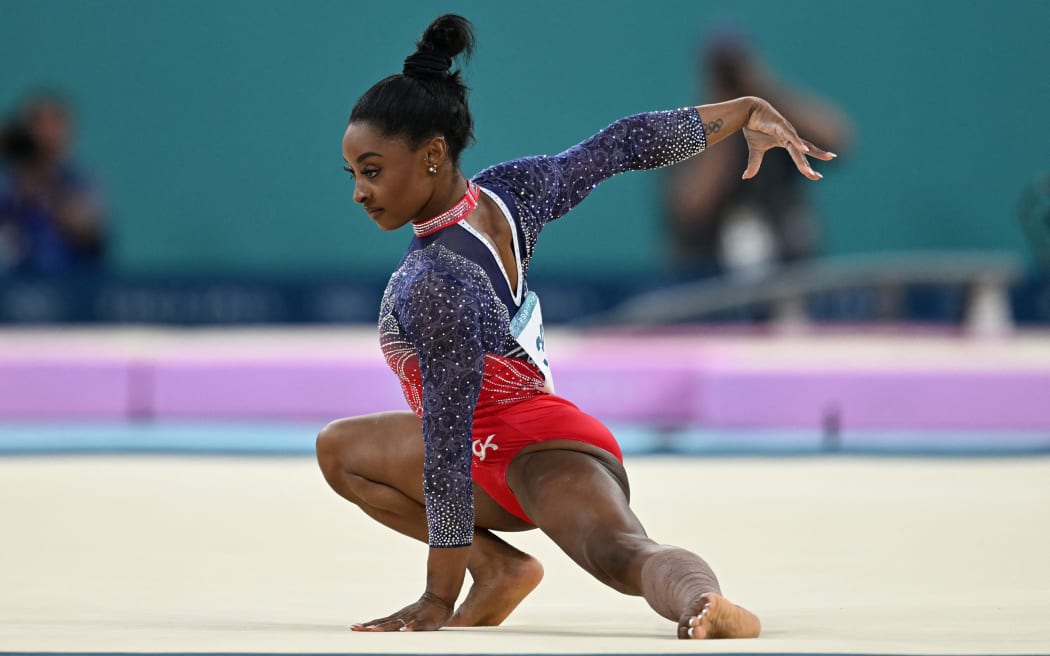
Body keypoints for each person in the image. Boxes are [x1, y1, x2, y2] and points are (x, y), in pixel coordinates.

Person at [316, 14, 834, 639]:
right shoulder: (508, 195)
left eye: (371, 171)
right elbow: (619, 147)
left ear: (431, 155)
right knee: (340, 449)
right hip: (488, 445)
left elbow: (447, 448)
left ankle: (704, 603)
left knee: (624, 556)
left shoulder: (435, 283)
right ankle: (501, 570)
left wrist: (435, 598)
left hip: (541, 449)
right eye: (353, 175)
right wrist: (739, 113)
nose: (359, 193)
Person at [663, 29, 851, 280]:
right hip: (711, 281)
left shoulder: (775, 121)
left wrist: (765, 95)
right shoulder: (687, 132)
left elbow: (837, 140)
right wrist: (726, 116)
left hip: (789, 269)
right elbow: (691, 207)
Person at [0, 92, 106, 274]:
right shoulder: (7, 182)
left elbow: (86, 229)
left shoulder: (81, 181)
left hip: (72, 286)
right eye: (38, 124)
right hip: (13, 287)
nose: (46, 134)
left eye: (54, 125)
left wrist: (42, 184)